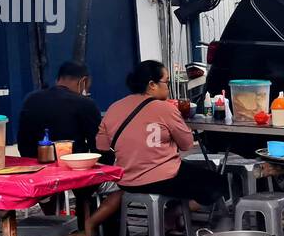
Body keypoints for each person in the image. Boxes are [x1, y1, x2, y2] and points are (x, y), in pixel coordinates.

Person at [97, 60, 226, 210]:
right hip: (164, 179)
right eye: (167, 82)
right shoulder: (165, 108)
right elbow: (187, 145)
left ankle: (170, 217)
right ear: (152, 84)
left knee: (190, 175)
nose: (168, 88)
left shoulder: (113, 108)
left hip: (126, 181)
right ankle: (175, 213)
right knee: (218, 183)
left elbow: (102, 146)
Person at [16, 61, 101, 159]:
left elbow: (22, 141)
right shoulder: (85, 103)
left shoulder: (31, 99)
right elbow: (99, 145)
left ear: (58, 79)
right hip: (71, 167)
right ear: (83, 81)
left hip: (34, 166)